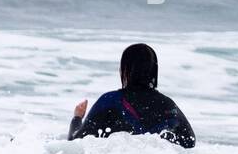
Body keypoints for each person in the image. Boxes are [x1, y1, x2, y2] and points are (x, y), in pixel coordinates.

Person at [68, 43, 196, 148]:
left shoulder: (111, 101)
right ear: (154, 71)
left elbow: (76, 143)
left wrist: (77, 118)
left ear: (125, 70)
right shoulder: (168, 104)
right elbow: (189, 142)